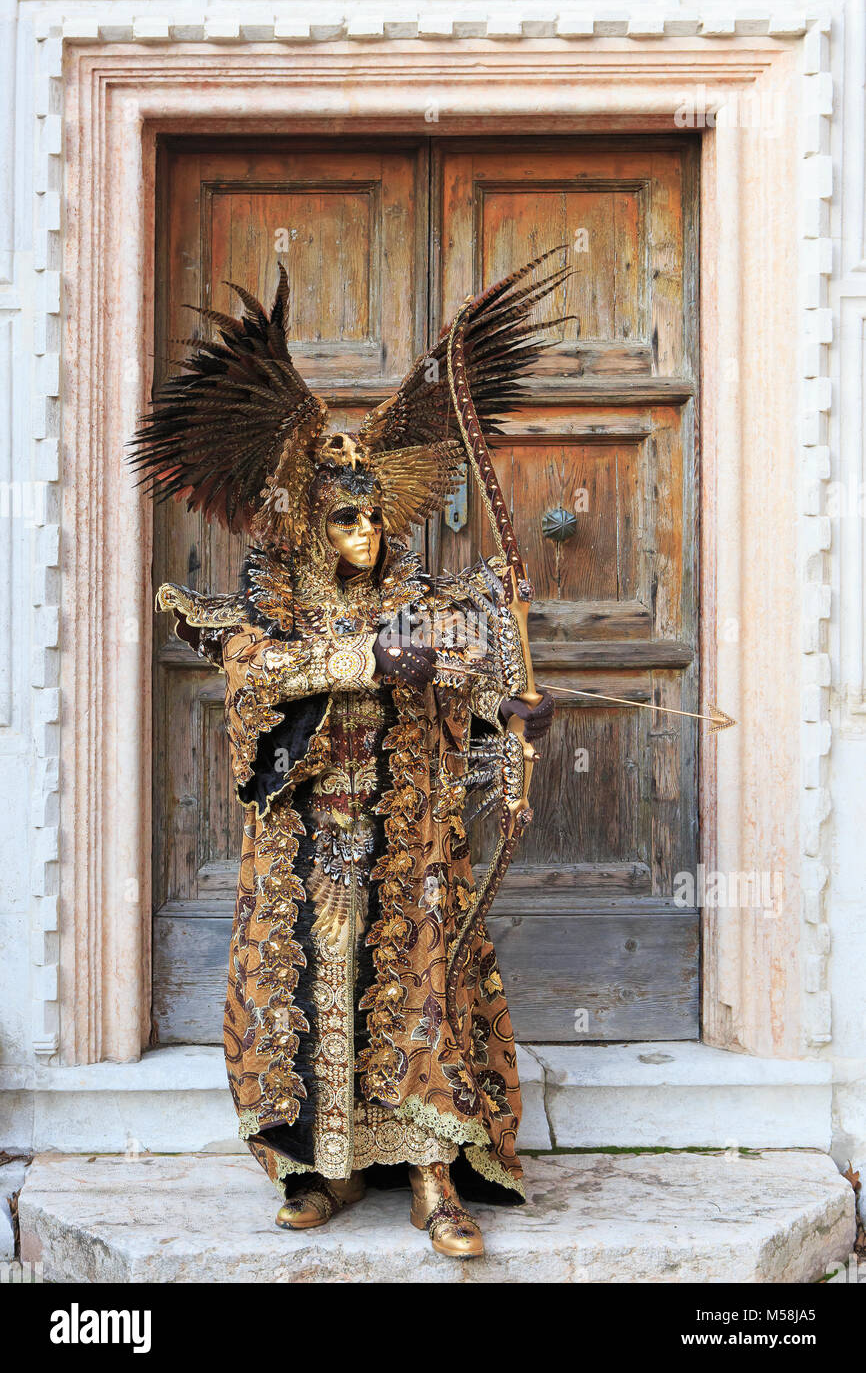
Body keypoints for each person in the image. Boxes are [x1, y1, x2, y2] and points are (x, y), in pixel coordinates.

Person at [130, 251, 565, 1258]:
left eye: (375, 516)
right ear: (306, 518)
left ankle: (429, 1178)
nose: (365, 533)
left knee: (418, 991)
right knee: (312, 997)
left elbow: (462, 685)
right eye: (344, 516)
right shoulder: (266, 606)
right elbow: (256, 675)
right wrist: (370, 653)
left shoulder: (430, 601)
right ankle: (322, 1171)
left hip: (407, 840)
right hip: (310, 843)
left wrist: (509, 715)